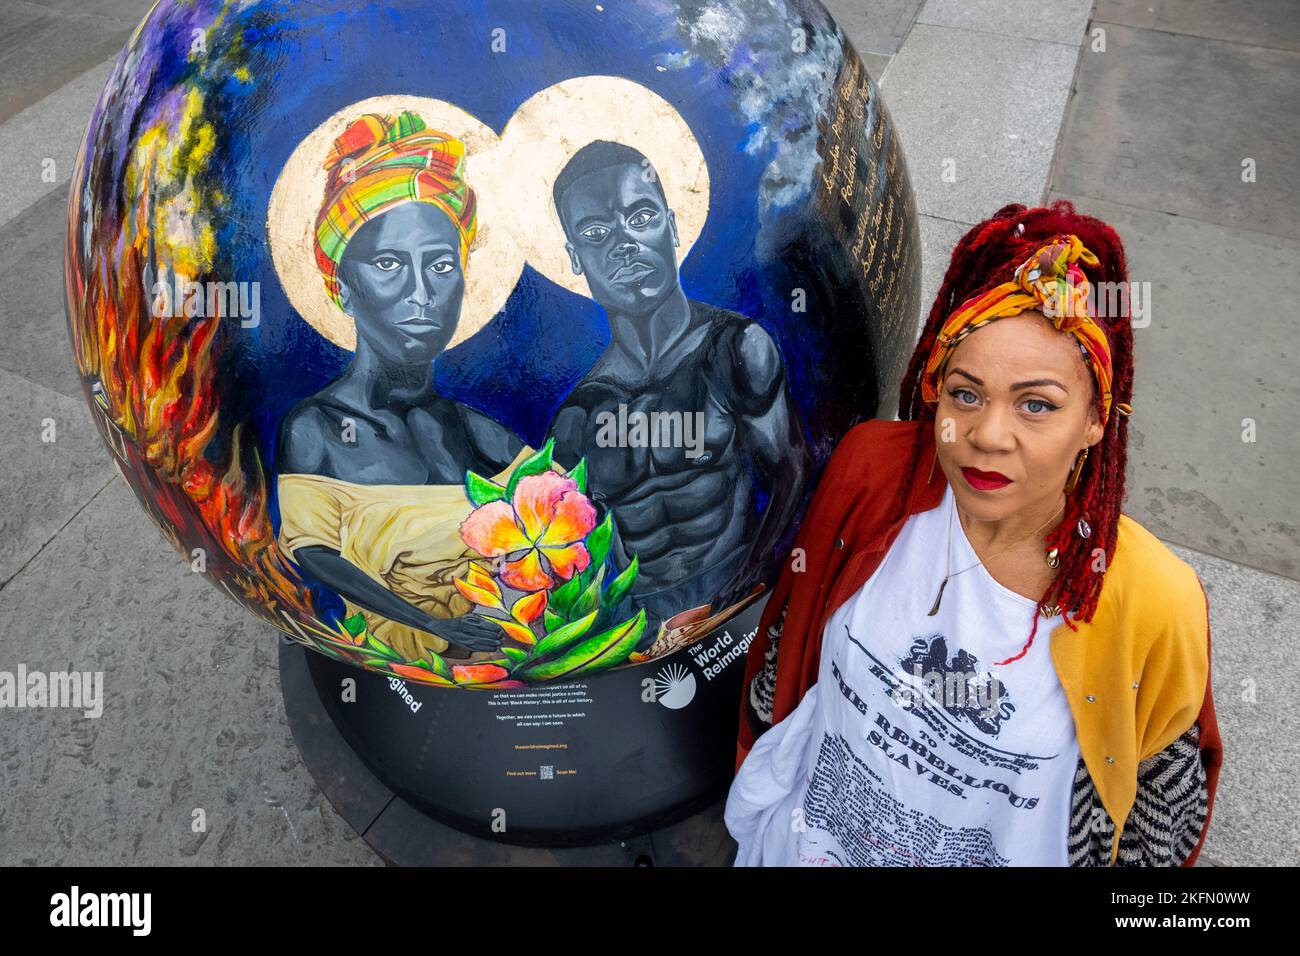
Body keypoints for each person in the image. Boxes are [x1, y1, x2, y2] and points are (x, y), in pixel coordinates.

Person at [726, 200, 1223, 866]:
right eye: (965, 393)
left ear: (1097, 420)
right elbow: (787, 647)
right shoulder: (872, 473)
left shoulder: (1155, 603)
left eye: (1036, 404)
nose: (987, 436)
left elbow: (1162, 818)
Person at [276, 112, 531, 662]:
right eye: (390, 263)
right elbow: (316, 554)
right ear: (343, 288)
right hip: (395, 663)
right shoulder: (316, 428)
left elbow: (562, 508)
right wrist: (435, 626)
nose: (422, 293)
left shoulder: (472, 430)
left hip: (501, 659)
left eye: (442, 265)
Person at [547, 140, 811, 637]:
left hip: (737, 589)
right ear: (575, 258)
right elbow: (587, 550)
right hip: (639, 624)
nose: (623, 244)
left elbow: (791, 471)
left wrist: (744, 587)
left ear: (671, 226)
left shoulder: (737, 350)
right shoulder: (578, 419)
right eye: (596, 232)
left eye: (641, 217)